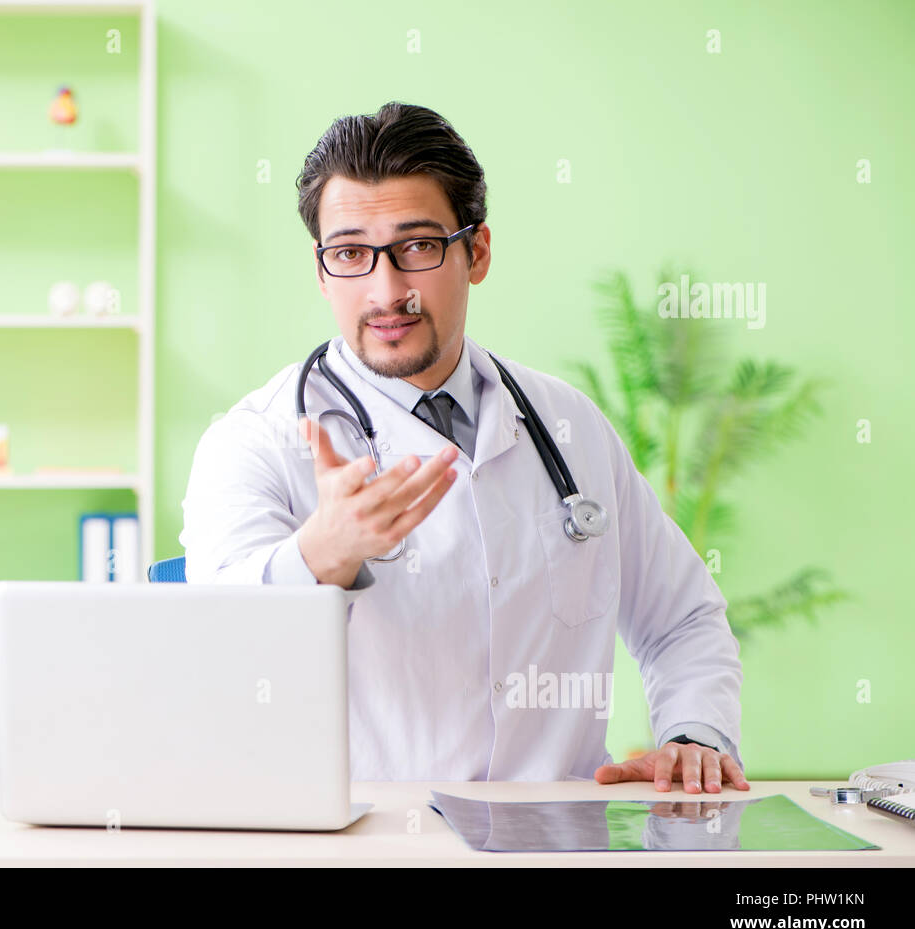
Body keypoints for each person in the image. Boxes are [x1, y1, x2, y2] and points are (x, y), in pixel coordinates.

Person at [179, 102, 748, 794]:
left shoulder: (568, 427)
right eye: (351, 254)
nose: (387, 292)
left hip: (556, 839)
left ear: (475, 252)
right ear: (322, 271)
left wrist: (693, 734)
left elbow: (683, 616)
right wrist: (320, 555)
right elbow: (214, 657)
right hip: (366, 845)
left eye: (417, 247)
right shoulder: (255, 441)